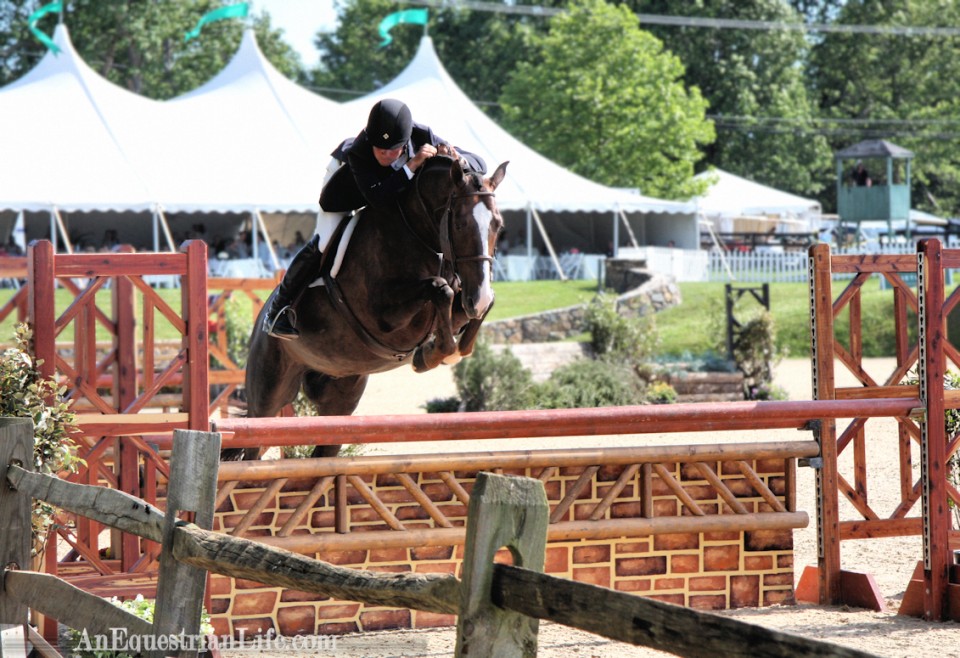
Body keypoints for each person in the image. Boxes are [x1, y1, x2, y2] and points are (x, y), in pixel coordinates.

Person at [262, 99, 486, 340]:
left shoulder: (422, 135)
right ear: (371, 140)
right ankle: (277, 310)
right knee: (324, 242)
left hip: (391, 191)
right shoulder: (359, 151)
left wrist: (458, 159)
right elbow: (378, 199)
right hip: (346, 193)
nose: (388, 155)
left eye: (395, 150)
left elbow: (479, 163)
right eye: (381, 150)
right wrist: (412, 164)